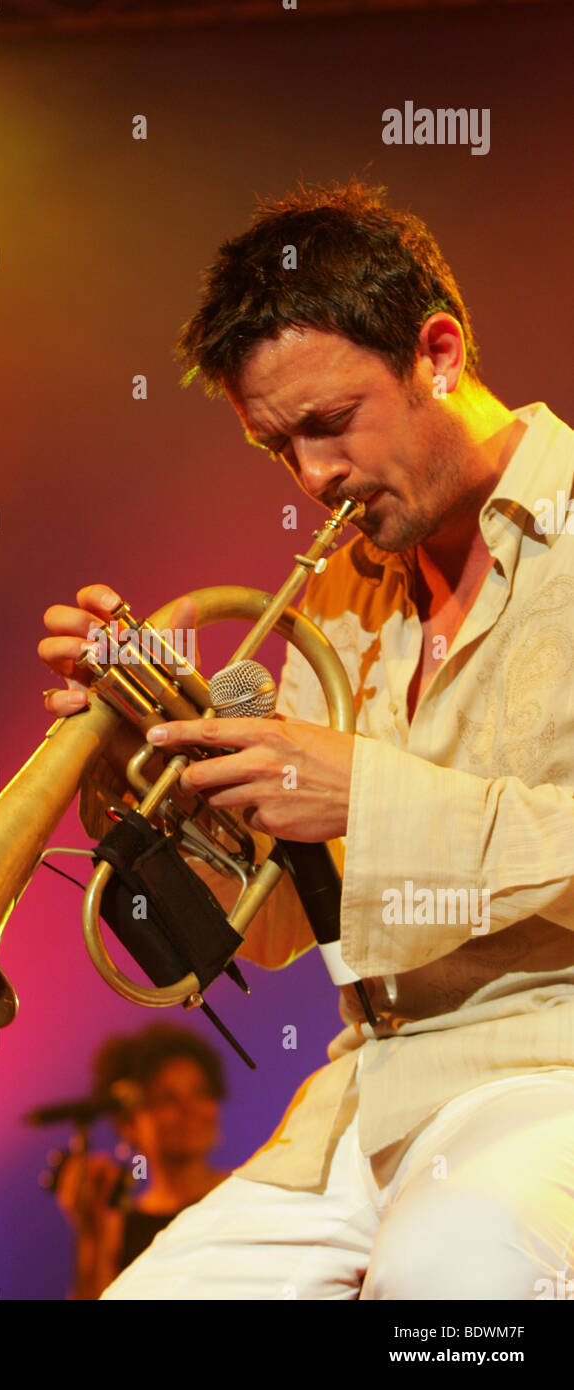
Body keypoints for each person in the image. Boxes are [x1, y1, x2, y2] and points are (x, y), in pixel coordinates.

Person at [38, 179, 574, 1300]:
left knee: (455, 1275)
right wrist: (134, 773)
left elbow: (364, 813)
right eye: (276, 446)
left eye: (329, 424)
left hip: (544, 1069)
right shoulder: (335, 590)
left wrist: (365, 797)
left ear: (437, 351)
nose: (313, 478)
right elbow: (278, 925)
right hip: (358, 1092)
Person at [52, 1024, 228, 1299]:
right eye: (167, 1099)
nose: (190, 1109)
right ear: (128, 1123)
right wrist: (92, 1236)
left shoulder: (246, 1194)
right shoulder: (122, 1229)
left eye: (202, 1092)